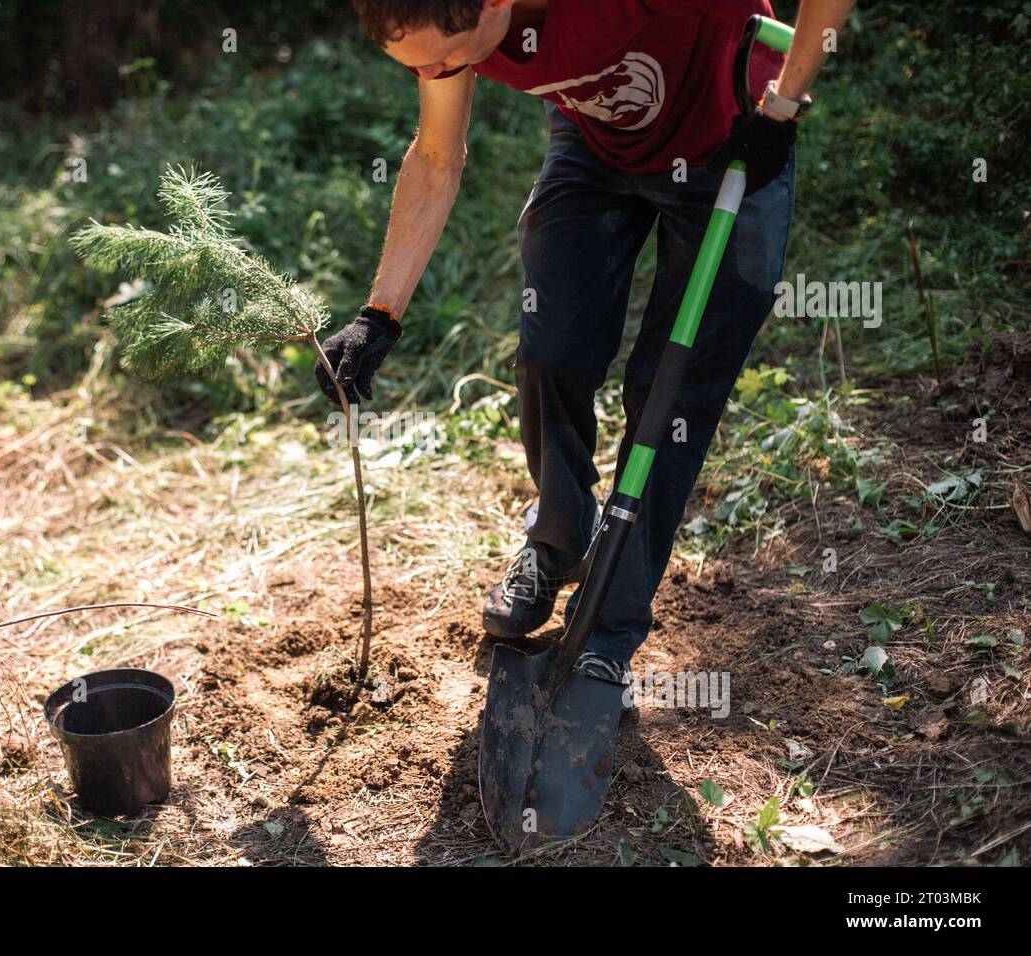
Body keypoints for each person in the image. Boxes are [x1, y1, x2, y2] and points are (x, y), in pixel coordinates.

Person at [316, 0, 854, 685]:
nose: (442, 74)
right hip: (598, 146)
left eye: (445, 60)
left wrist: (785, 104)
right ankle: (559, 540)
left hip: (736, 138)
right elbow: (437, 154)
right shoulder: (447, 31)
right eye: (419, 67)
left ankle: (610, 623)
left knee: (670, 395)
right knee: (551, 354)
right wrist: (379, 313)